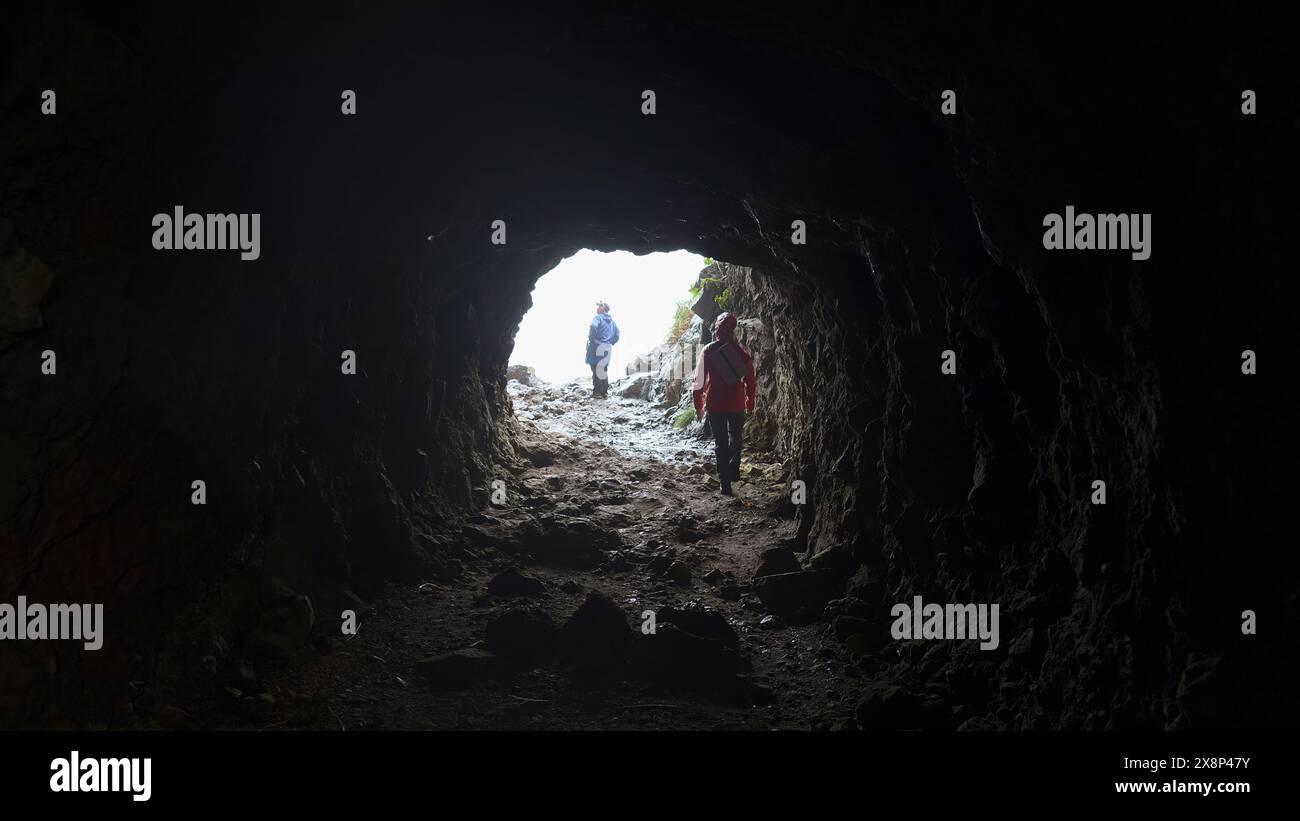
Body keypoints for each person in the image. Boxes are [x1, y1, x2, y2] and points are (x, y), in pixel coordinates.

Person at [691, 312, 756, 495]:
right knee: (736, 436)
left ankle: (725, 484)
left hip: (715, 404)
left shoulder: (709, 350)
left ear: (716, 329)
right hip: (736, 403)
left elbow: (698, 381)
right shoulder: (741, 352)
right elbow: (750, 379)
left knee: (720, 443)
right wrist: (750, 400)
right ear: (734, 330)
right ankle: (734, 463)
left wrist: (698, 405)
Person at [585, 300, 619, 398]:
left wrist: (592, 339)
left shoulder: (598, 318)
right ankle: (604, 392)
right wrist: (610, 342)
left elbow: (592, 326)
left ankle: (597, 393)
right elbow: (617, 335)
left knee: (596, 369)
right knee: (603, 369)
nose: (597, 308)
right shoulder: (613, 322)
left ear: (603, 309)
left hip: (597, 346)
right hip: (607, 348)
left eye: (599, 306)